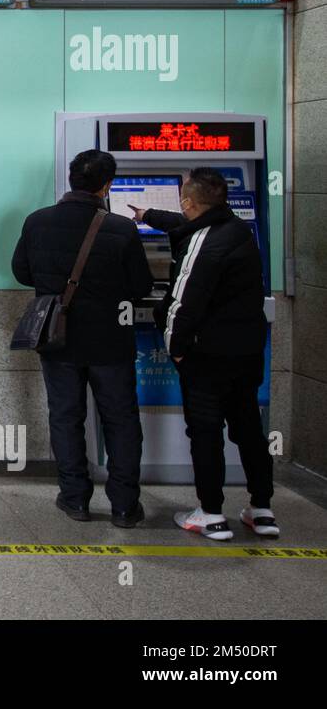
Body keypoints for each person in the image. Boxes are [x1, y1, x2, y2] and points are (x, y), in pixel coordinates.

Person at [129, 168, 277, 540]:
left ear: (189, 202)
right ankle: (261, 509)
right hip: (246, 351)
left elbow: (183, 302)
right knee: (248, 428)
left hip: (207, 355)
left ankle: (210, 513)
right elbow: (185, 225)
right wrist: (147, 216)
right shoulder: (238, 229)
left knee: (206, 432)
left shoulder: (203, 244)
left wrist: (176, 349)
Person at [12, 149, 153, 527]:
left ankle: (74, 498)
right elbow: (141, 284)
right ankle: (124, 506)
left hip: (58, 338)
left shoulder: (37, 221)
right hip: (110, 340)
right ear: (106, 186)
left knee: (65, 415)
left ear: (72, 180)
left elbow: (22, 272)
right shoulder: (122, 228)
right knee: (120, 420)